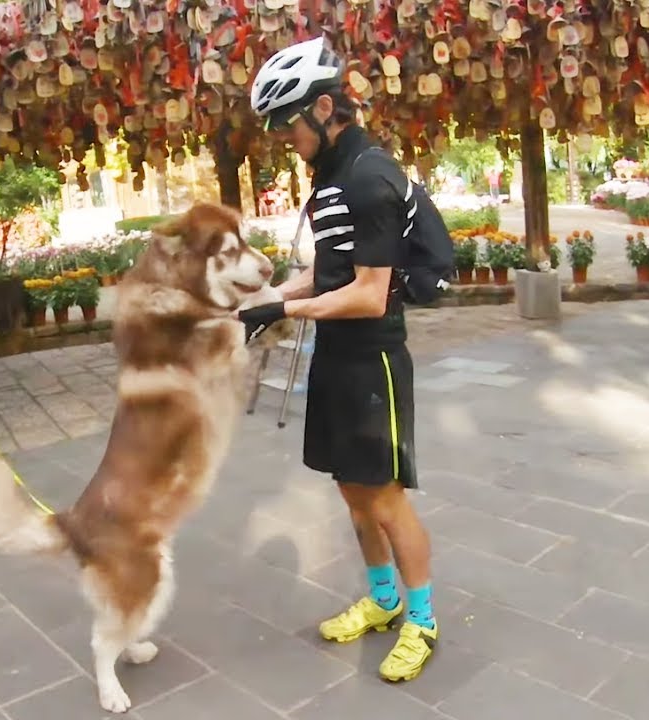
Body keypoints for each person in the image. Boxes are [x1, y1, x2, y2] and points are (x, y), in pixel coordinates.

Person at [240, 37, 438, 682]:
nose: (283, 137)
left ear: (324, 109)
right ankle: (383, 601)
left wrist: (286, 310)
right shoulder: (331, 176)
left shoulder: (368, 178)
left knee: (385, 500)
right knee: (353, 493)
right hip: (336, 357)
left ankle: (422, 620)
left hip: (373, 362)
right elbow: (326, 272)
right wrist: (264, 300)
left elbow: (369, 294)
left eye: (286, 123)